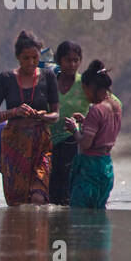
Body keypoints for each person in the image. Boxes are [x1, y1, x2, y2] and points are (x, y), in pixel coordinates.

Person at [0, 30, 59, 205]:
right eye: (26, 58)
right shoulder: (5, 79)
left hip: (41, 141)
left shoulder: (48, 76)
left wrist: (44, 116)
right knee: (17, 200)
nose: (31, 62)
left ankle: (38, 231)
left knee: (38, 195)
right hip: (14, 143)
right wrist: (13, 112)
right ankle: (18, 231)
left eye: (35, 57)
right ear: (18, 57)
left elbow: (56, 114)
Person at [65, 60, 122, 209]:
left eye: (85, 89)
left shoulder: (96, 109)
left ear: (92, 87)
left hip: (90, 169)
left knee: (80, 214)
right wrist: (86, 122)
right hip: (106, 166)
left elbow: (85, 143)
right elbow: (103, 130)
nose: (86, 94)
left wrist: (74, 130)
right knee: (98, 214)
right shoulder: (116, 106)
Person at [47, 41, 88, 205]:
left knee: (67, 185)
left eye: (76, 60)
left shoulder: (84, 83)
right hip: (48, 141)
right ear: (58, 60)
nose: (72, 64)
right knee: (50, 186)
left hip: (72, 140)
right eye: (68, 60)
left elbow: (112, 103)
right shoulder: (50, 81)